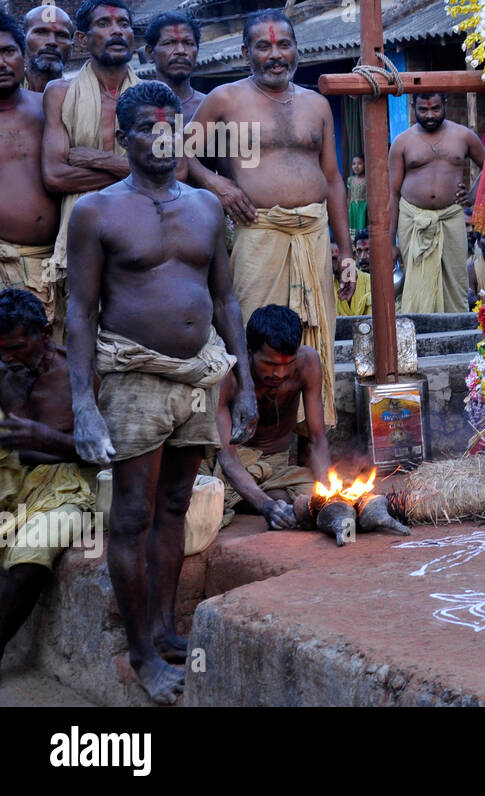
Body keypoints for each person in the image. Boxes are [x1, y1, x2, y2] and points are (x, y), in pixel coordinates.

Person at [66, 81, 256, 704]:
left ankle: (166, 629)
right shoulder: (97, 211)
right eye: (148, 128)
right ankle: (143, 653)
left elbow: (226, 298)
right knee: (130, 513)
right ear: (123, 137)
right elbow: (79, 311)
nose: (163, 138)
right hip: (133, 375)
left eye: (171, 127)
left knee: (176, 503)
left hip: (199, 374)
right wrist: (83, 405)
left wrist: (245, 381)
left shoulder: (204, 206)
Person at [185, 9, 352, 429]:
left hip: (313, 237)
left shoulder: (317, 104)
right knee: (251, 334)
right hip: (257, 234)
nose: (275, 54)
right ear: (246, 52)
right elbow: (179, 154)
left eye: (283, 45)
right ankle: (249, 434)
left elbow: (333, 179)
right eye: (264, 46)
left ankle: (308, 437)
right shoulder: (224, 98)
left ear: (297, 49)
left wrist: (346, 253)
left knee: (314, 335)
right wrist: (218, 184)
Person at [0, 288, 96, 671]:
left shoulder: (80, 373)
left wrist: (48, 439)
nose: (8, 357)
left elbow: (112, 449)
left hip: (68, 483)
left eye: (17, 347)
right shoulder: (3, 369)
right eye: (1, 349)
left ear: (44, 334)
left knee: (32, 555)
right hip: (11, 476)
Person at [41, 0, 154, 286]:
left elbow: (175, 172)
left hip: (143, 232)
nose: (117, 31)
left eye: (124, 23)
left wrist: (96, 158)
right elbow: (54, 176)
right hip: (81, 233)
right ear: (81, 38)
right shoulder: (60, 93)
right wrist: (138, 170)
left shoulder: (152, 95)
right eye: (104, 23)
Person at [210, 306, 328, 529]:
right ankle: (264, 499)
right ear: (249, 351)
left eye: (287, 364)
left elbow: (317, 438)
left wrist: (327, 492)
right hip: (233, 467)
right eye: (271, 364)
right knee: (207, 498)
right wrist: (266, 506)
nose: (280, 374)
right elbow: (227, 457)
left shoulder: (307, 363)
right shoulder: (228, 376)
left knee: (316, 494)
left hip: (278, 466)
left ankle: (259, 499)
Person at [388, 91, 484, 313]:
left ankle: (454, 336)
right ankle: (417, 336)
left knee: (455, 281)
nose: (429, 115)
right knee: (415, 284)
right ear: (413, 106)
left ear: (445, 104)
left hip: (450, 217)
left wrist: (473, 195)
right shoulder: (402, 142)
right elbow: (392, 194)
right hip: (413, 220)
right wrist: (390, 242)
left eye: (435, 109)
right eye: (423, 110)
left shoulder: (463, 136)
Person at [0, 14, 62, 339]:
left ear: (24, 56)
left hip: (58, 262)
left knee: (56, 361)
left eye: (8, 52)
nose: (1, 63)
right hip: (4, 265)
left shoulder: (49, 107)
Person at [144, 11, 205, 124]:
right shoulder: (137, 107)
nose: (181, 51)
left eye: (188, 43)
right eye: (169, 43)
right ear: (150, 53)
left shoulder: (210, 107)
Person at [22, 4, 74, 94]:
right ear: (23, 41)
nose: (52, 42)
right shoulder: (6, 93)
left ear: (70, 48)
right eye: (41, 32)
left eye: (62, 35)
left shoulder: (80, 95)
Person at [333, 241, 371, 316]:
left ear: (353, 256)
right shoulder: (324, 289)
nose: (338, 264)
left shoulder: (371, 282)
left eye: (341, 258)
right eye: (333, 259)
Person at [347, 155, 367, 236]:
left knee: (362, 230)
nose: (356, 166)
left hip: (363, 208)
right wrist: (348, 210)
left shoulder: (367, 180)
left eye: (359, 163)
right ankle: (354, 247)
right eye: (354, 164)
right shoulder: (350, 180)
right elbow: (349, 197)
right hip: (352, 209)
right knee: (352, 232)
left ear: (364, 165)